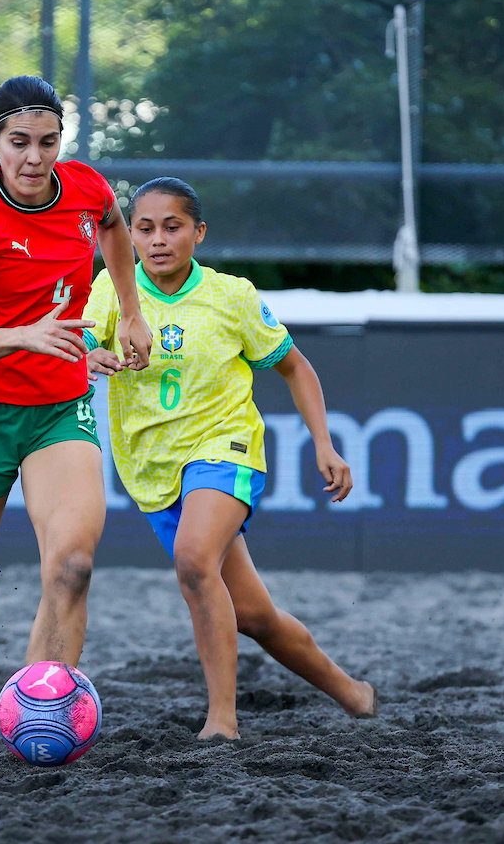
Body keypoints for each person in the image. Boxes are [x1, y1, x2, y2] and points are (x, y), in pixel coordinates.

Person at [83, 177, 376, 739]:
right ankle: (353, 694)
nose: (158, 240)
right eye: (144, 229)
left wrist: (323, 443)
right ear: (127, 237)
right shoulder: (109, 293)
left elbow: (296, 366)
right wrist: (90, 355)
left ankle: (222, 720)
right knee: (253, 616)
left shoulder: (231, 296)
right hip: (152, 468)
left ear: (199, 232)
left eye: (172, 227)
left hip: (225, 446)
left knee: (194, 561)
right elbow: (76, 349)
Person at [0, 75, 154, 706]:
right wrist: (26, 335)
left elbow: (112, 228)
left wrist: (131, 312)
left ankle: (41, 710)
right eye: (19, 141)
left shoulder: (83, 187)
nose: (34, 157)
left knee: (72, 565)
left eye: (48, 142)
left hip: (60, 406)